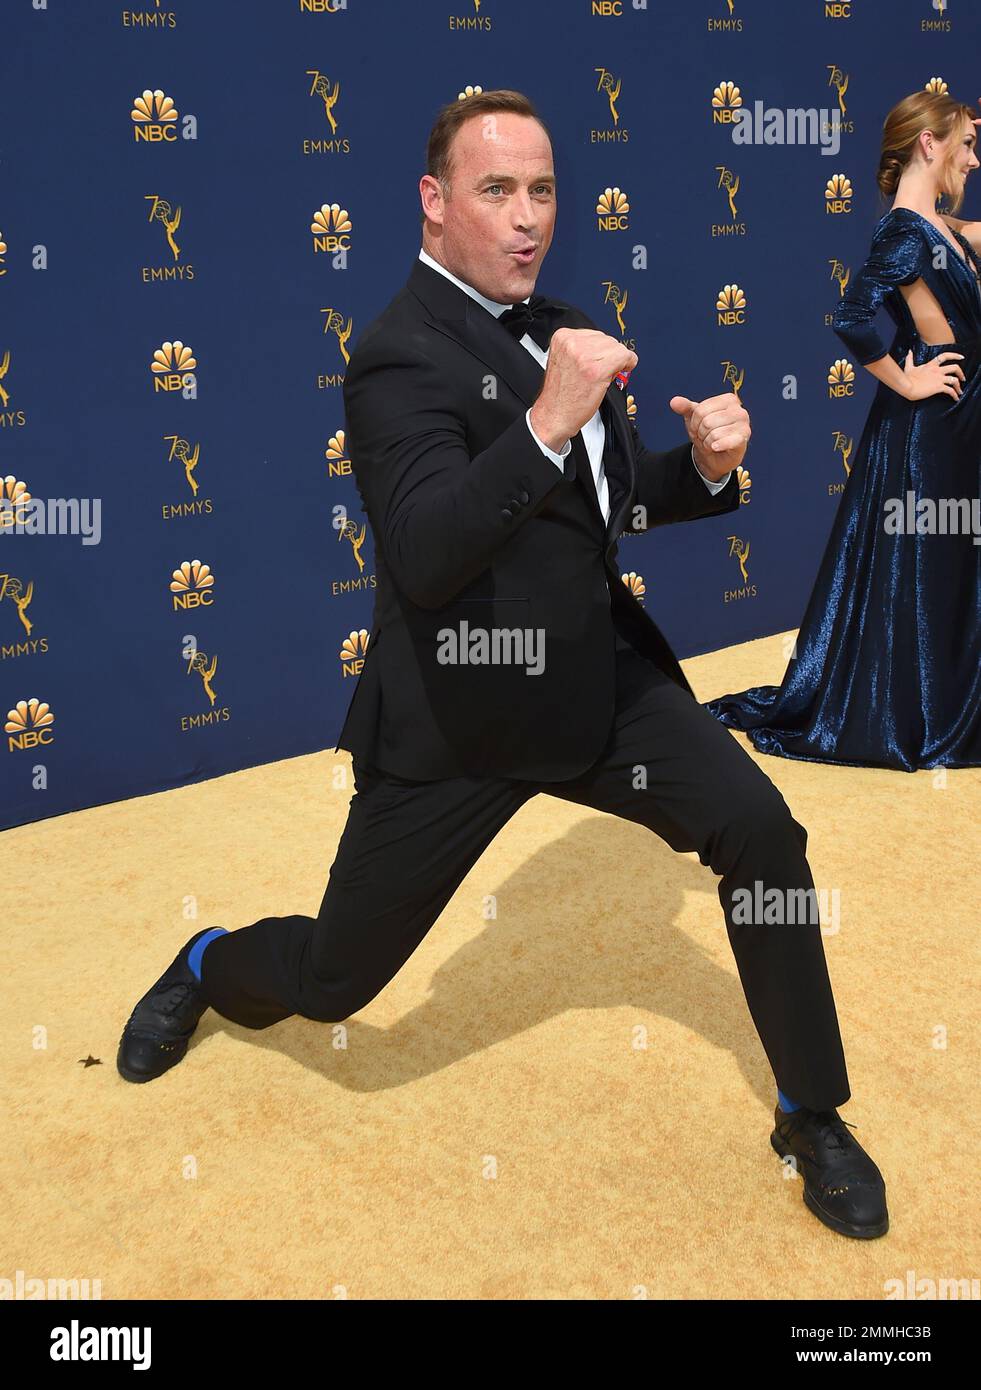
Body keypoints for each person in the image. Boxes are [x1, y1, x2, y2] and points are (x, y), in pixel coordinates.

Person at [117, 90, 888, 1239]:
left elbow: (607, 503)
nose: (528, 216)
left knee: (762, 831)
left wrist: (705, 468)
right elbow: (429, 552)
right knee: (334, 981)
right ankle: (208, 959)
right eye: (496, 190)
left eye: (542, 190)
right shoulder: (393, 359)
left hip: (597, 683)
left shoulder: (561, 324)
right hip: (457, 716)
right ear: (434, 203)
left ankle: (810, 1111)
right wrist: (545, 419)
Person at [706, 91, 981, 770]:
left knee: (952, 566)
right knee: (929, 570)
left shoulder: (938, 228)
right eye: (967, 145)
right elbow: (851, 316)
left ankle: (948, 699)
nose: (973, 161)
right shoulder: (904, 233)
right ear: (928, 143)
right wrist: (908, 380)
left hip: (960, 421)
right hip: (932, 429)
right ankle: (918, 715)